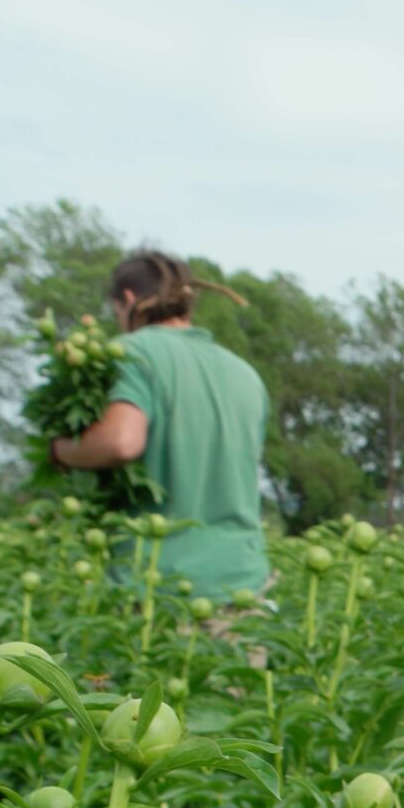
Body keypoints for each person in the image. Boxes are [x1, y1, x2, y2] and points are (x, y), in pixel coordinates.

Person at [48, 251, 269, 603]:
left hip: (157, 586)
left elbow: (122, 442)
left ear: (129, 300)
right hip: (245, 583)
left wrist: (60, 450)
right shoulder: (245, 373)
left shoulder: (130, 352)